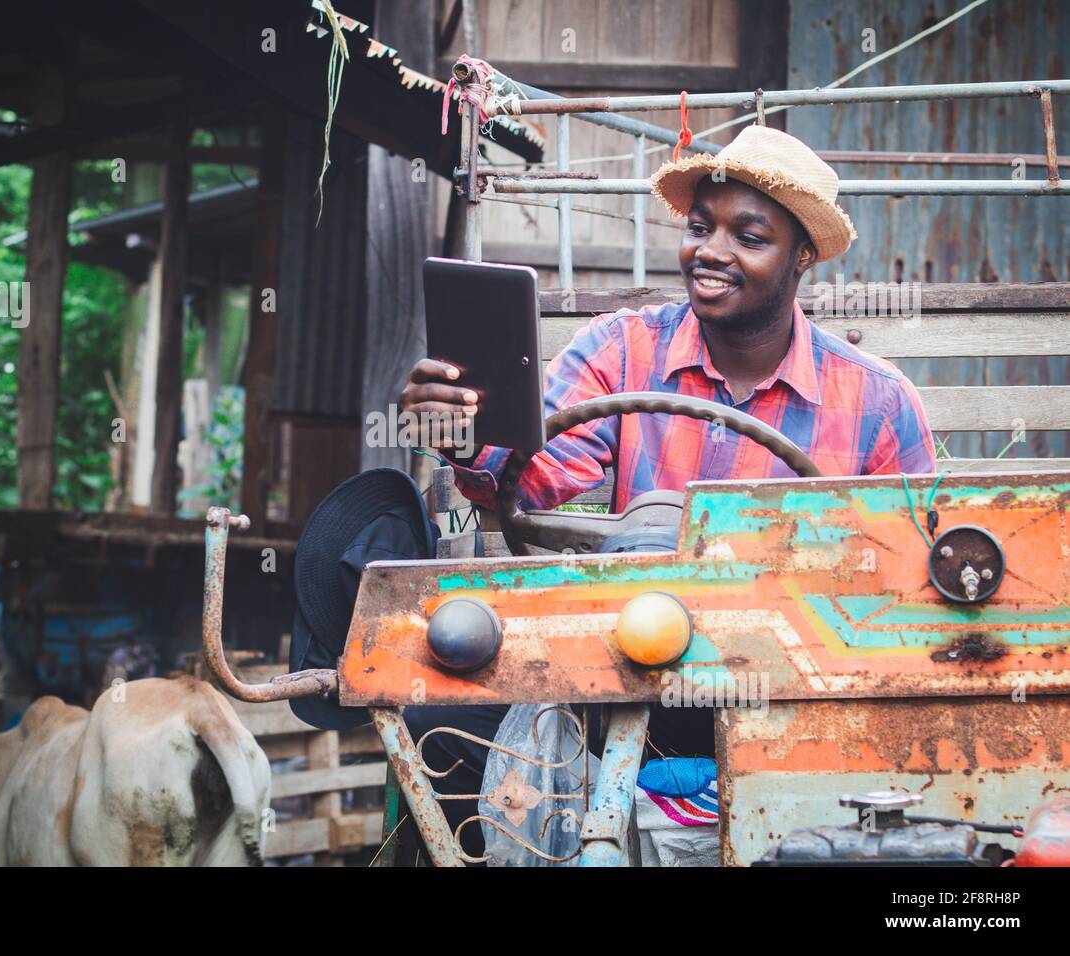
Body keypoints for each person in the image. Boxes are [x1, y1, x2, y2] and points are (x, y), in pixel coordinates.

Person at [397, 125, 936, 860]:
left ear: (803, 256)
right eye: (699, 227)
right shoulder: (622, 350)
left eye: (749, 235)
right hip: (621, 668)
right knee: (432, 725)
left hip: (781, 692)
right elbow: (534, 472)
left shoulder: (878, 403)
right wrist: (460, 434)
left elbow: (914, 582)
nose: (711, 251)